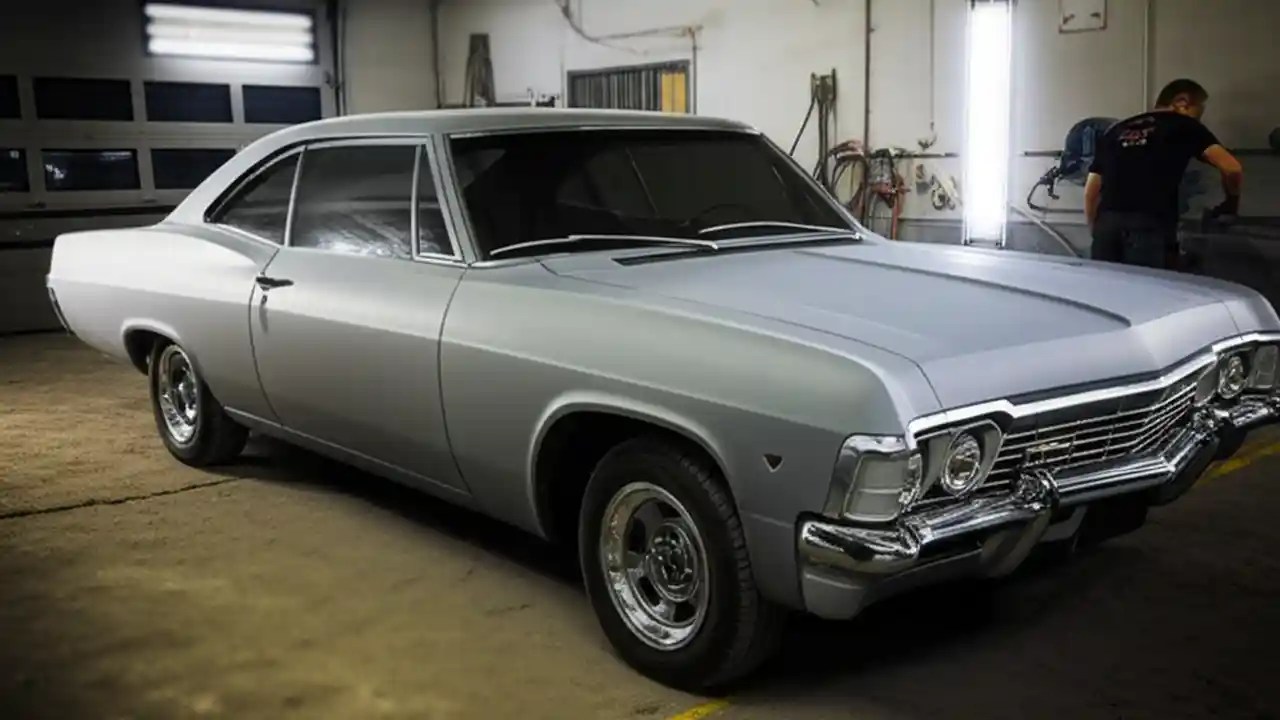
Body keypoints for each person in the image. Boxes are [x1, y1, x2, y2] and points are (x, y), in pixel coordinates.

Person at [1084, 78, 1244, 269]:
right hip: (1149, 224)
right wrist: (1231, 204)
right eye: (1199, 109)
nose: (1199, 117)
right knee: (1151, 292)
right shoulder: (1184, 125)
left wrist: (1096, 231)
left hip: (1107, 224)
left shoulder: (1115, 130)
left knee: (1105, 290)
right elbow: (1232, 168)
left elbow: (1091, 192)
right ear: (1182, 103)